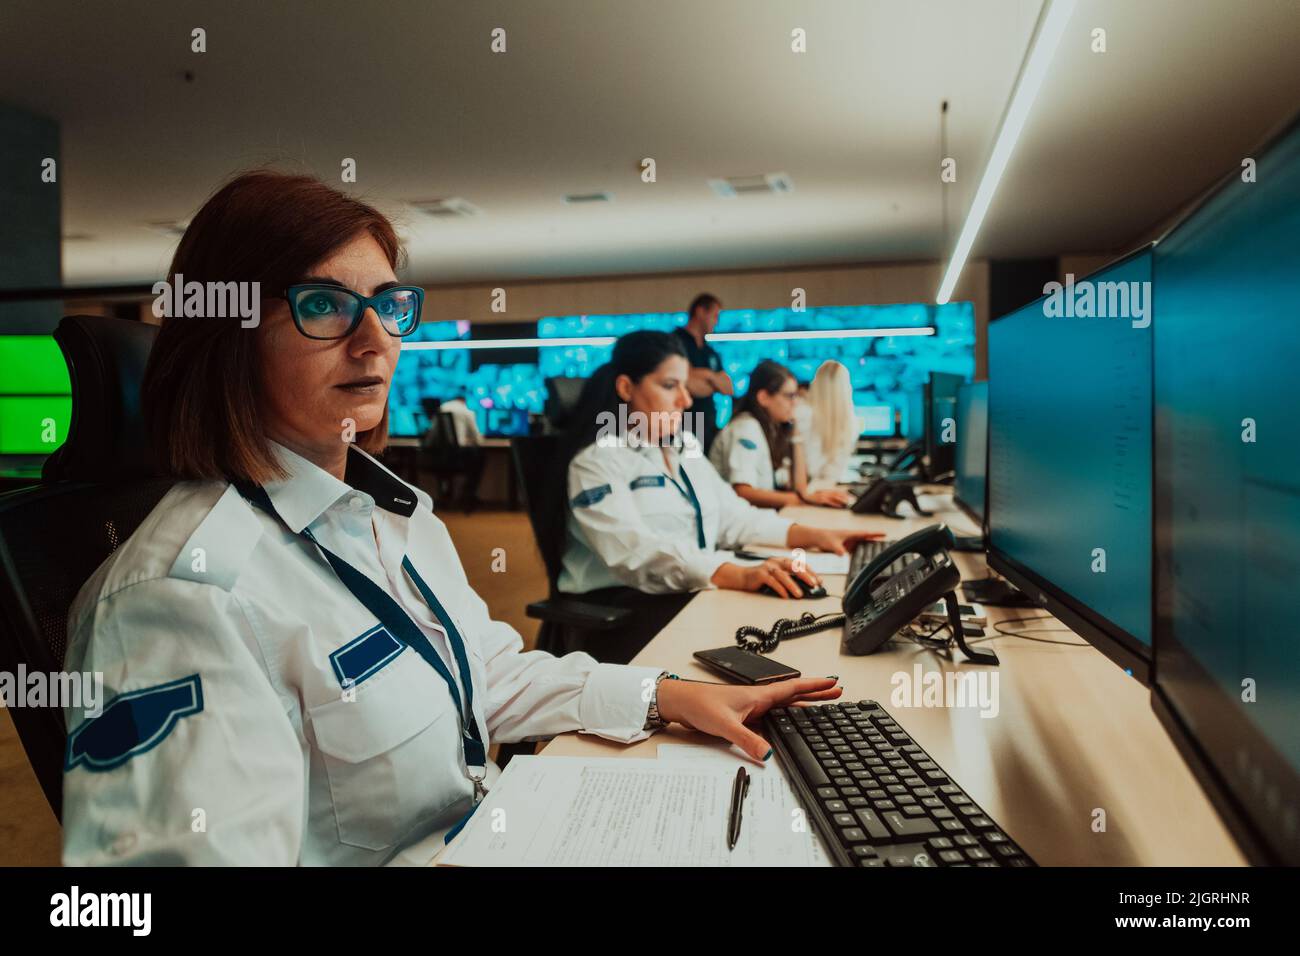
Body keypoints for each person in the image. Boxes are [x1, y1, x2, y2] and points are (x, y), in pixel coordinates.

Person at [60, 170, 843, 866]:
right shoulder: (182, 599)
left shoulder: (393, 516)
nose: (374, 341)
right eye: (324, 306)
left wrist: (664, 695)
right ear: (227, 337)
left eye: (390, 306)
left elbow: (488, 673)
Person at [554, 332, 878, 661]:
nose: (685, 400)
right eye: (669, 386)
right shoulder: (596, 463)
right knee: (776, 647)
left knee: (802, 624)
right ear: (626, 388)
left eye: (685, 386)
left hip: (689, 590)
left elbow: (733, 516)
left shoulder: (683, 450)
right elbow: (636, 552)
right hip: (624, 610)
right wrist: (737, 574)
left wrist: (813, 535)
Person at [710, 360, 849, 509]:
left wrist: (796, 436)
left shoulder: (767, 428)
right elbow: (743, 492)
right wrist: (803, 499)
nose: (795, 403)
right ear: (763, 397)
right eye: (789, 396)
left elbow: (799, 487)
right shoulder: (746, 428)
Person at [792, 360, 859, 504]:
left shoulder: (800, 413)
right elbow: (832, 474)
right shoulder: (851, 424)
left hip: (800, 492)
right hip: (815, 492)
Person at [672, 293, 732, 453]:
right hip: (682, 426)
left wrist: (703, 375)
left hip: (708, 426)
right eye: (715, 315)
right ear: (700, 312)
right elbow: (689, 384)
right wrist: (713, 379)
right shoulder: (674, 342)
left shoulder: (710, 351)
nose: (717, 321)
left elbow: (728, 387)